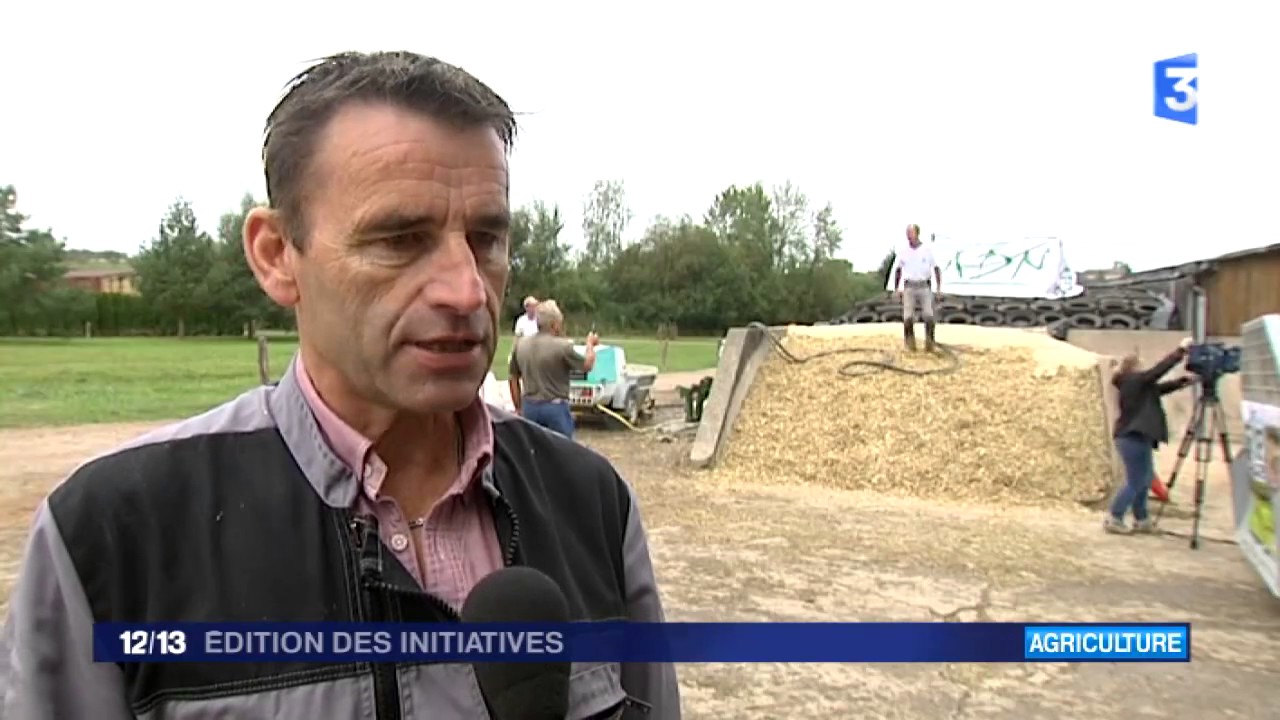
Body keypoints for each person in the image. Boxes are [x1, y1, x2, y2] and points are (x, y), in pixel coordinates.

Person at [0, 51, 680, 719]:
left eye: (486, 238)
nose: (467, 289)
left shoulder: (591, 505)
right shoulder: (115, 534)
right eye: (400, 239)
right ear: (275, 257)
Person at [1105, 337, 1196, 535]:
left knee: (1144, 480)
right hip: (1132, 436)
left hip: (1136, 436)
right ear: (1133, 368)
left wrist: (1184, 381)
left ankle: (1142, 519)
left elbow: (1159, 389)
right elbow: (1157, 373)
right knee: (1136, 481)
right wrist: (1180, 351)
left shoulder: (1136, 385)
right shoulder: (1132, 381)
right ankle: (1115, 516)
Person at [508, 299, 598, 439]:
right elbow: (587, 366)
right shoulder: (563, 347)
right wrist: (590, 345)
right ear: (554, 324)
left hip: (529, 407)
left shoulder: (521, 345)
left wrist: (519, 407)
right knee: (563, 453)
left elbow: (512, 377)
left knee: (534, 452)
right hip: (555, 409)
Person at [892, 223, 942, 351]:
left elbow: (936, 268)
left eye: (911, 233)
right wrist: (897, 288)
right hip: (909, 286)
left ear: (917, 234)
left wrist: (938, 288)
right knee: (907, 317)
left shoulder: (927, 250)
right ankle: (910, 343)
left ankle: (930, 342)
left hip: (924, 285)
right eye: (907, 233)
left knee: (929, 315)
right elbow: (898, 270)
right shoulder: (903, 251)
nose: (908, 236)